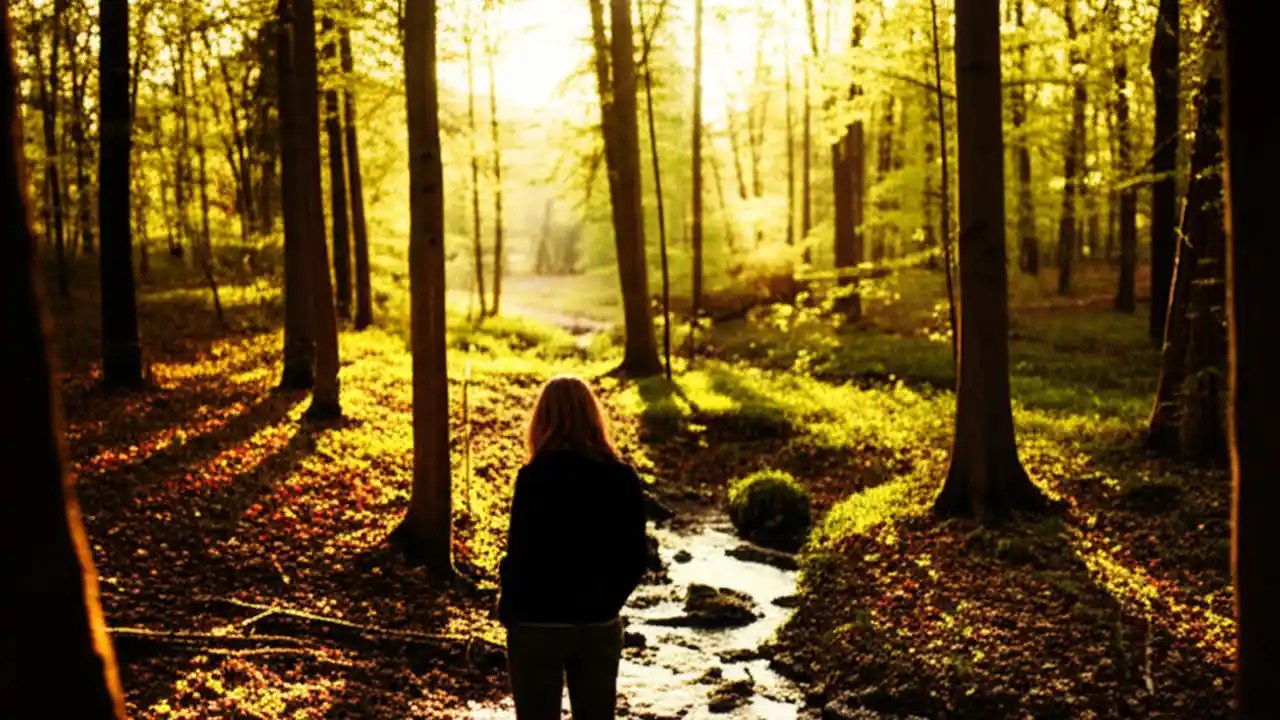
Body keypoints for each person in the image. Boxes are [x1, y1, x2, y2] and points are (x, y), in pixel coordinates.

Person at [497, 375, 649, 720]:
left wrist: (512, 610)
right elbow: (635, 557)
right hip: (597, 622)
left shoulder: (534, 477)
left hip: (536, 624)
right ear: (593, 417)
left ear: (542, 420)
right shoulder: (621, 477)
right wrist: (607, 602)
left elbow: (520, 553)